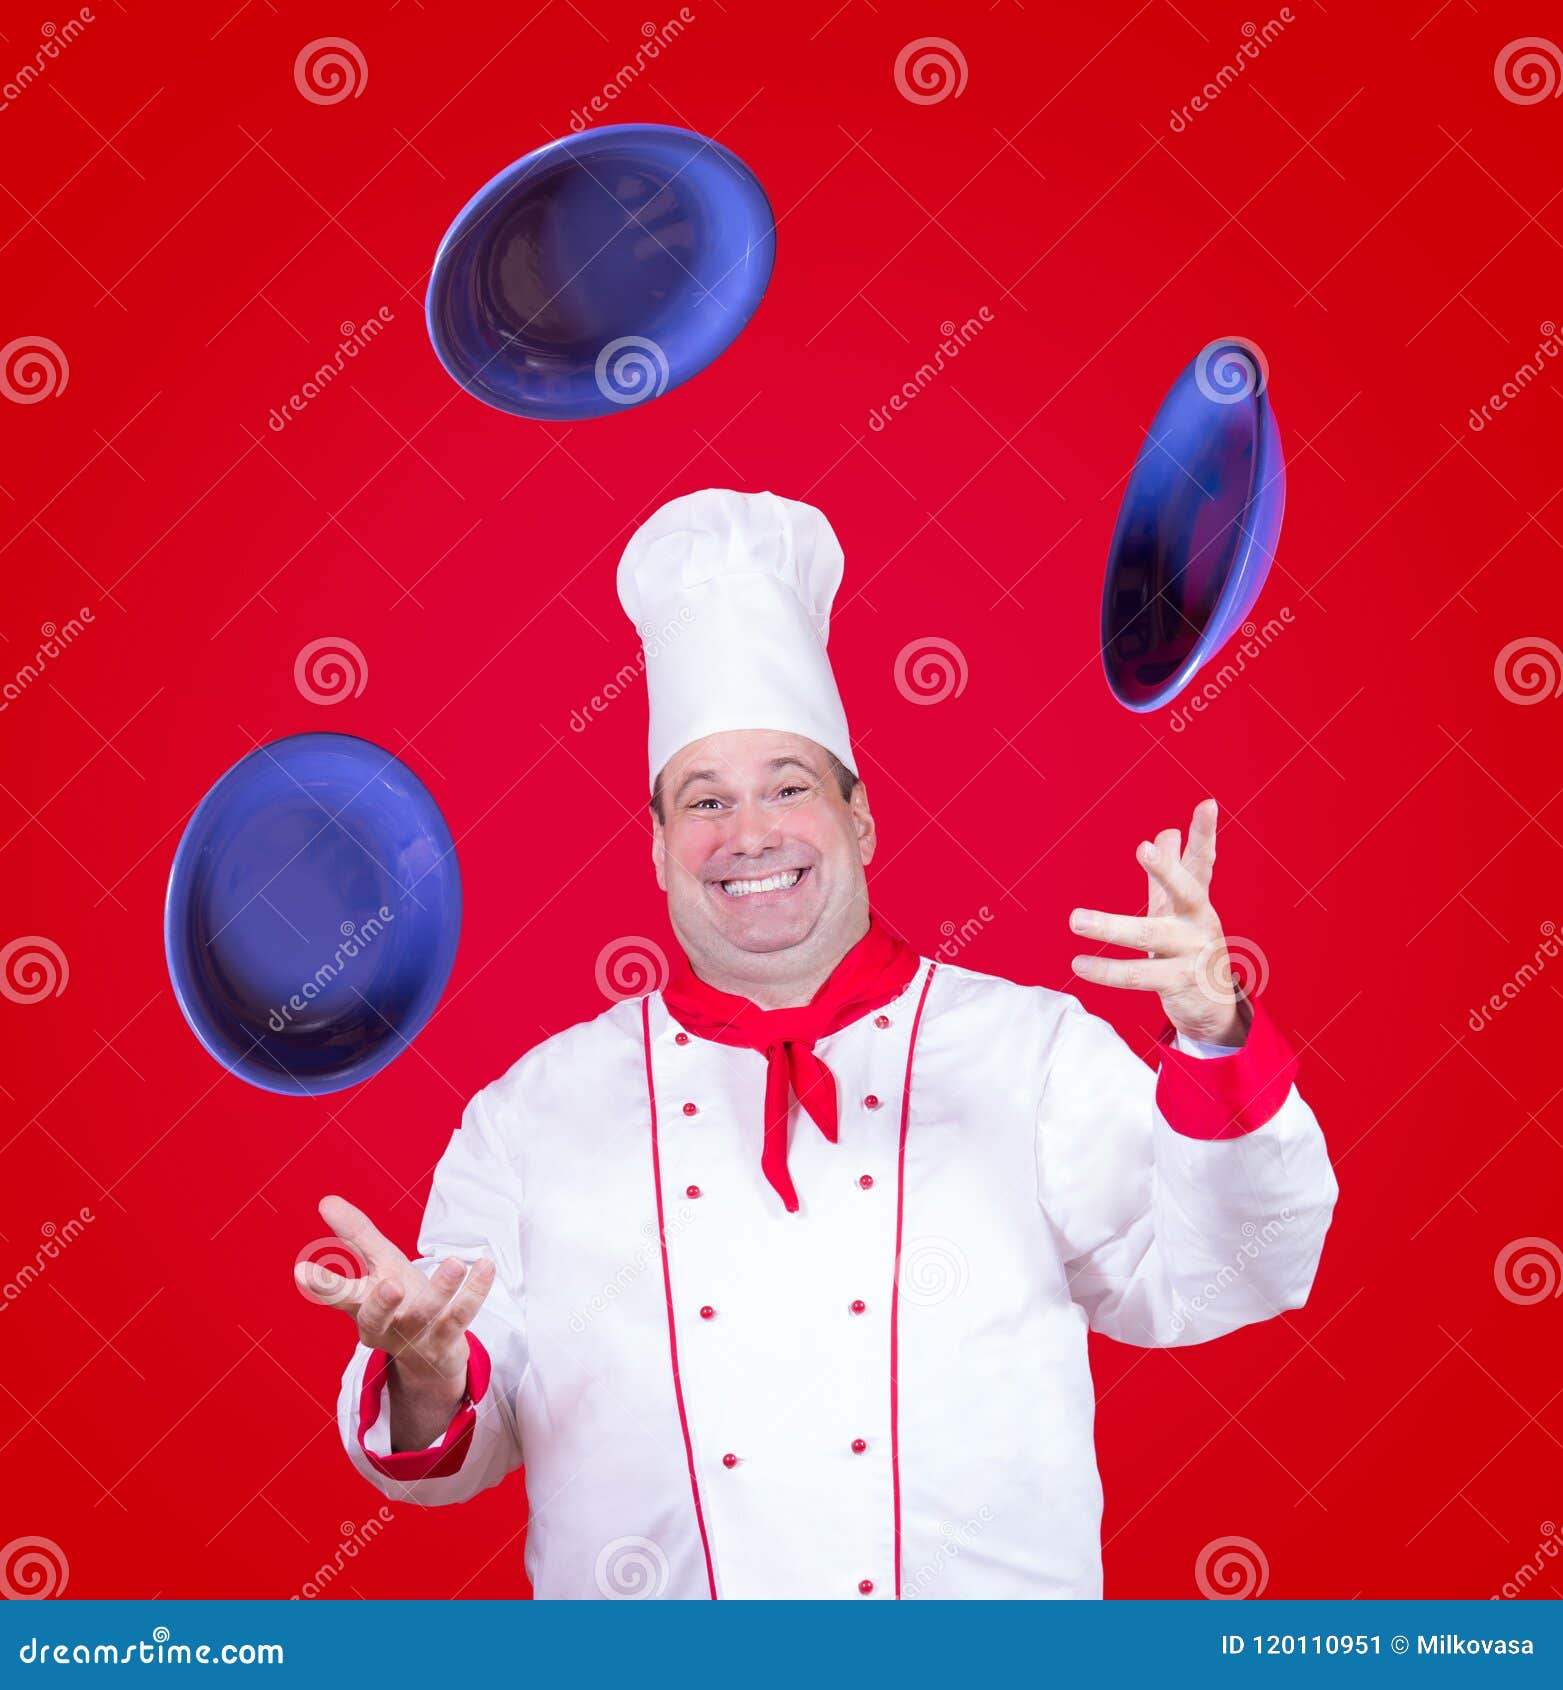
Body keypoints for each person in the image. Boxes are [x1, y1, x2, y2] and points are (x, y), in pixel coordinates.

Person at [299, 488, 1339, 1600]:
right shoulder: (532, 1113)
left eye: (788, 787)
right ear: (656, 850)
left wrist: (1214, 1030)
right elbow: (462, 1430)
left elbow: (1233, 1273)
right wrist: (422, 1363)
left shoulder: (1027, 1053)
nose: (747, 834)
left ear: (861, 821)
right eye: (704, 801)